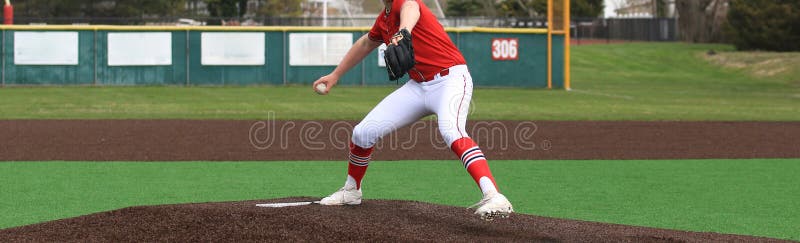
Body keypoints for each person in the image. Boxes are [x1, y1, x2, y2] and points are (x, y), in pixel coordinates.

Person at [312, 0, 513, 220]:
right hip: (418, 86)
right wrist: (335, 75)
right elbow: (365, 44)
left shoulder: (404, 4)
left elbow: (411, 8)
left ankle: (494, 195)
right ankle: (351, 191)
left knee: (452, 131)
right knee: (363, 132)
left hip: (451, 79)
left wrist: (404, 30)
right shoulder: (384, 19)